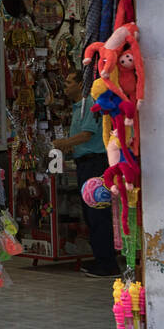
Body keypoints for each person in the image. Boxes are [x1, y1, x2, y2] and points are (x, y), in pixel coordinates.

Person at [54, 71, 119, 278]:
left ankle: (107, 263)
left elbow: (86, 134)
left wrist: (63, 144)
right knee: (92, 214)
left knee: (97, 213)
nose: (65, 85)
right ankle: (102, 258)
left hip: (94, 163)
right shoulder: (78, 106)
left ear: (81, 84)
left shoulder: (88, 102)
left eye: (68, 81)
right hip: (86, 163)